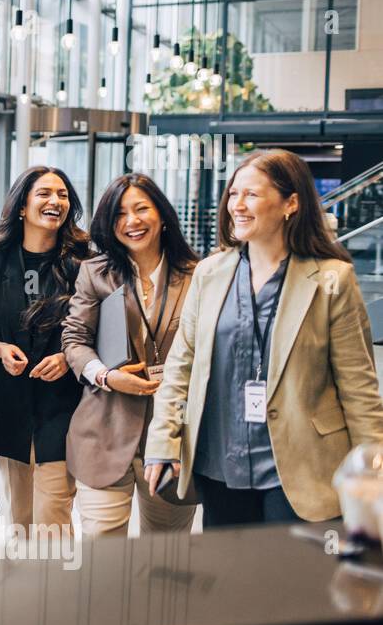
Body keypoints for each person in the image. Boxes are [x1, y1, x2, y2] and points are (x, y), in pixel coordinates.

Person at [146, 149, 383, 526]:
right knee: (230, 580)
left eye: (251, 195)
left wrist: (372, 466)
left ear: (291, 203)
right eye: (233, 195)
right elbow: (180, 367)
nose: (236, 206)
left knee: (288, 581)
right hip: (220, 460)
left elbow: (359, 388)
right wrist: (162, 442)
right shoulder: (210, 273)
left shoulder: (332, 280)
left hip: (301, 465)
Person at [63, 173, 198, 536]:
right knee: (104, 559)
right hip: (104, 430)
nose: (132, 221)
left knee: (165, 558)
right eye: (120, 214)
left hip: (174, 437)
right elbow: (74, 339)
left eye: (141, 209)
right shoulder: (95, 273)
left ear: (162, 214)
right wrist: (105, 376)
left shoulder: (198, 275)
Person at [0, 166, 89, 534]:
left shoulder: (84, 263)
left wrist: (69, 358)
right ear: (22, 206)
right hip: (10, 409)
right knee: (21, 520)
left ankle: (55, 591)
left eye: (63, 195)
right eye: (44, 193)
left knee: (52, 518)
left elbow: (104, 334)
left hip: (65, 408)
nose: (55, 201)